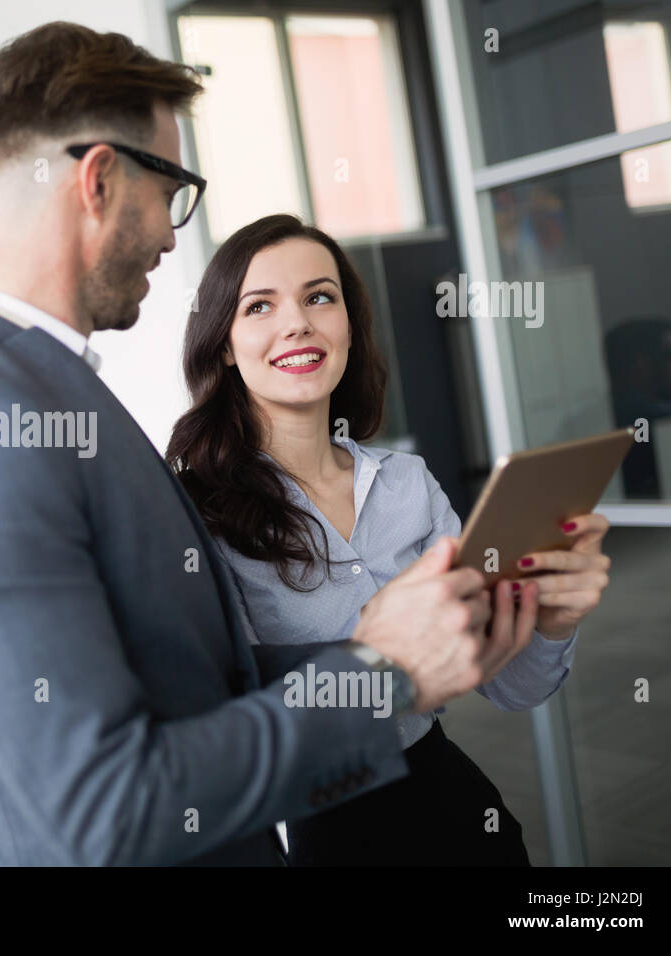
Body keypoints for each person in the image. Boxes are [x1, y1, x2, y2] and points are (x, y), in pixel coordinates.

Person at [0, 21, 535, 866]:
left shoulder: (50, 390)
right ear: (100, 180)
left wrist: (418, 635)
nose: (175, 236)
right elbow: (102, 811)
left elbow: (195, 676)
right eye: (173, 188)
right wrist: (381, 673)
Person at [166, 214, 613, 864]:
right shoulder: (195, 514)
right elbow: (220, 726)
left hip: (452, 801)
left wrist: (550, 621)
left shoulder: (407, 483)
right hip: (325, 824)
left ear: (349, 324)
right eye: (259, 306)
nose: (298, 323)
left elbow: (511, 687)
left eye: (320, 296)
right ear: (225, 344)